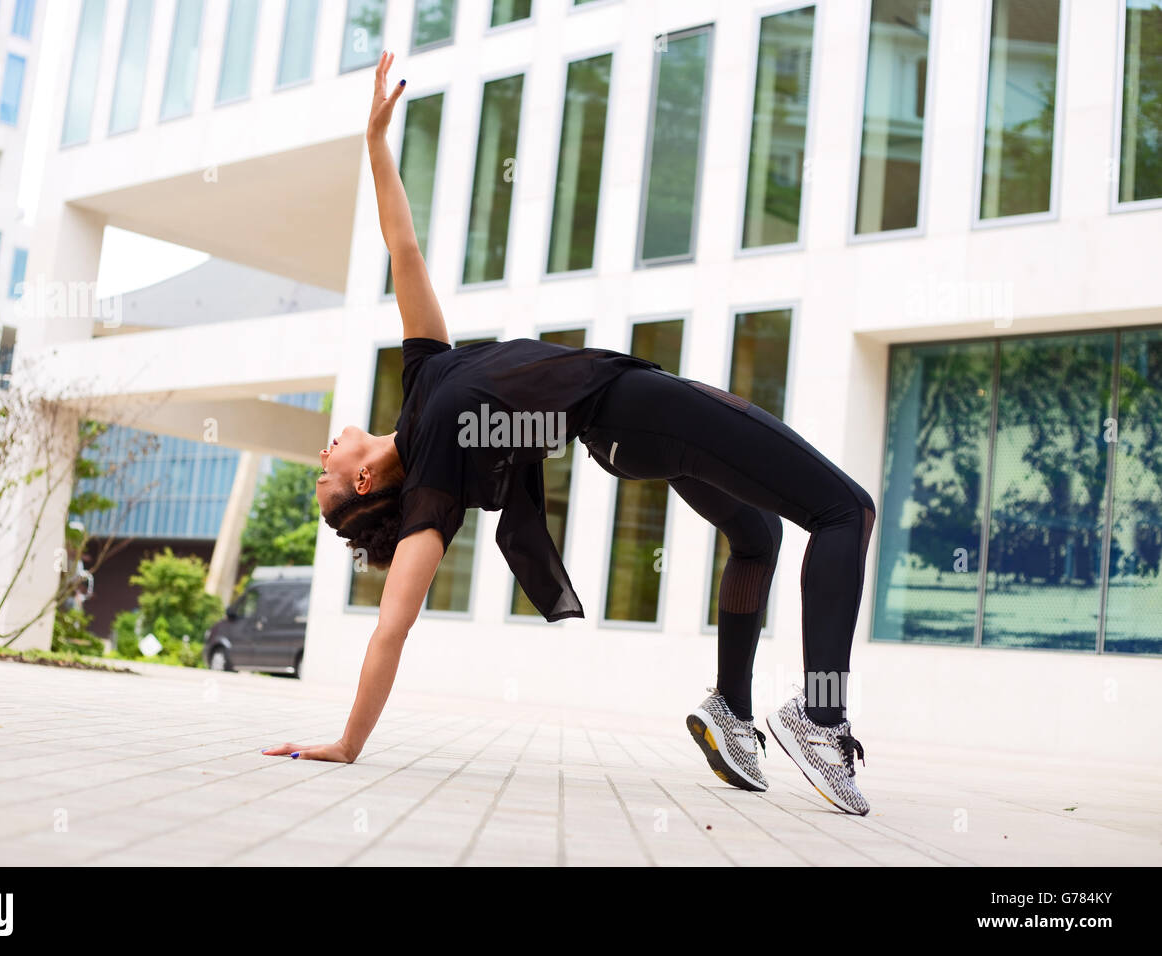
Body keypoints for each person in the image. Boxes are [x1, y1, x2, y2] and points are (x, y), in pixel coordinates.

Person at [263, 52, 878, 816]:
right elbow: (392, 627)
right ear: (362, 482)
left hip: (629, 434)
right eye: (324, 472)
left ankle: (730, 708)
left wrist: (376, 144)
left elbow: (405, 250)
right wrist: (348, 742)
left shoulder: (421, 377)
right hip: (633, 411)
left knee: (757, 536)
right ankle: (821, 717)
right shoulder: (432, 481)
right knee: (845, 510)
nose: (322, 453)